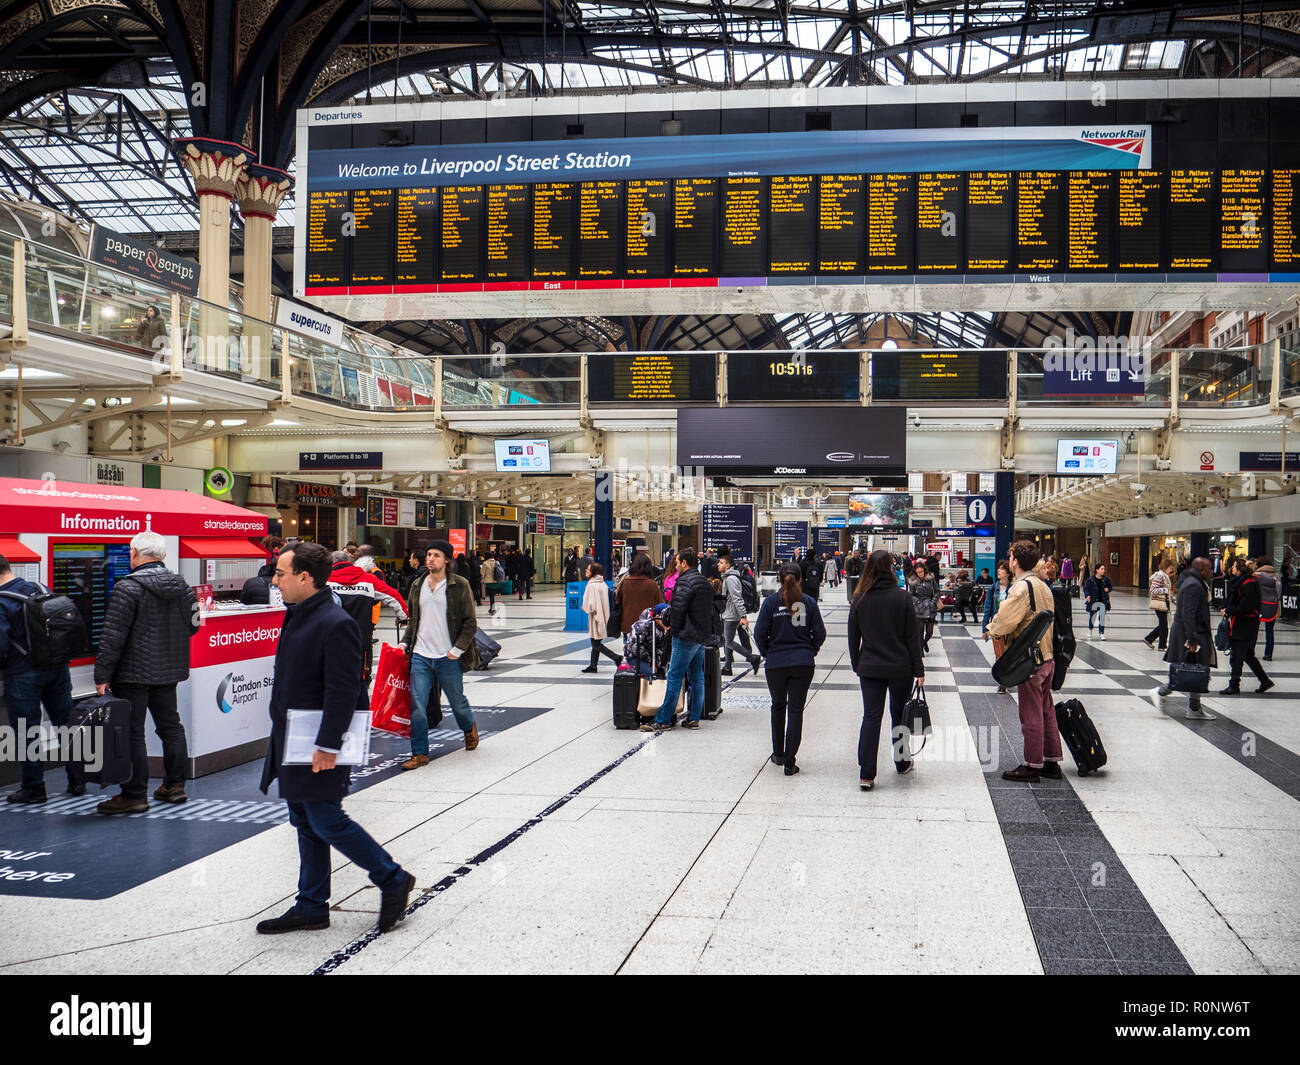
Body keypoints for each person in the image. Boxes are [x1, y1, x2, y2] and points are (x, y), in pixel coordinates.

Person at [256, 542, 415, 935]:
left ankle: (391, 877)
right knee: (305, 821)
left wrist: (328, 745)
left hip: (317, 742)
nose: (275, 580)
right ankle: (311, 904)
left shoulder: (334, 621)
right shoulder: (299, 615)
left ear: (305, 577)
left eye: (281, 574)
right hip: (293, 737)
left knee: (326, 820)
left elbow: (343, 692)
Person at [88, 532, 201, 813]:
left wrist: (102, 675)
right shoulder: (183, 586)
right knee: (171, 727)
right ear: (162, 556)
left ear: (135, 553)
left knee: (133, 732)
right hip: (169, 670)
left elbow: (113, 636)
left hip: (133, 673)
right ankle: (174, 786)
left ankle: (135, 795)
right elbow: (194, 625)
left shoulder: (128, 588)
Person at [0, 555, 87, 804]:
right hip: (58, 668)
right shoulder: (40, 588)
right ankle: (78, 779)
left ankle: (34, 788)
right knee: (65, 723)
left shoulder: (2, 602)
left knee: (27, 731)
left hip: (23, 675)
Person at [984, 541, 1060, 782]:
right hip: (1047, 657)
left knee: (1030, 714)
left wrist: (991, 628)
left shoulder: (1022, 588)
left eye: (1011, 557)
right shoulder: (1043, 585)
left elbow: (1004, 621)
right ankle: (1051, 761)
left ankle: (1032, 765)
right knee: (1047, 710)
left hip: (1030, 662)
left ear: (1015, 561)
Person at [849, 550, 924, 791]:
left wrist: (856, 663)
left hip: (870, 667)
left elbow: (853, 637)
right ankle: (902, 763)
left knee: (871, 717)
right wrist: (918, 669)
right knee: (898, 717)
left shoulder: (860, 598)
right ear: (890, 569)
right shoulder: (901, 598)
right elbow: (913, 637)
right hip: (900, 667)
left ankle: (867, 773)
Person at [401, 541, 480, 770]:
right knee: (417, 704)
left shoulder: (459, 585)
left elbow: (469, 622)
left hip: (448, 656)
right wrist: (405, 643)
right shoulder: (418, 585)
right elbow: (413, 620)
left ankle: (468, 727)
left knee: (457, 702)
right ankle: (419, 753)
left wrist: (457, 650)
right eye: (428, 555)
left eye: (436, 555)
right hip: (421, 655)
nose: (430, 559)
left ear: (447, 559)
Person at [753, 560, 826, 776]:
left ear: (778, 578)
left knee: (777, 706)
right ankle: (790, 761)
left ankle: (778, 753)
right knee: (795, 710)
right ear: (801, 578)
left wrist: (768, 652)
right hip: (803, 663)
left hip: (776, 664)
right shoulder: (809, 602)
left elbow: (759, 634)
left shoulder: (770, 603)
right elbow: (820, 633)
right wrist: (810, 650)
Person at [641, 547, 713, 733]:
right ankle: (694, 718)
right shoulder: (704, 582)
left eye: (677, 562)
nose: (675, 565)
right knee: (697, 677)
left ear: (684, 563)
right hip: (700, 637)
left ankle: (663, 719)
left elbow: (678, 611)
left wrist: (671, 629)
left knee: (674, 677)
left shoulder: (683, 582)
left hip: (685, 636)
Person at [1151, 557, 1218, 720]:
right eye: (1209, 569)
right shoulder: (1194, 585)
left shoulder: (1194, 582)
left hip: (1193, 633)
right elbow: (1188, 614)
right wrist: (1192, 639)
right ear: (1201, 570)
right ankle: (1161, 692)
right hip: (1189, 634)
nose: (1212, 572)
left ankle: (1194, 708)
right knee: (1192, 670)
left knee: (1198, 670)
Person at [1221, 557, 1273, 695]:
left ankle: (1234, 684)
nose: (1231, 568)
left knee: (1237, 655)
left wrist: (1229, 610)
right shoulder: (1240, 582)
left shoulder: (1248, 583)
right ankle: (1265, 680)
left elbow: (1246, 608)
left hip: (1245, 624)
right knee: (1248, 655)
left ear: (1238, 569)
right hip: (1242, 623)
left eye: (1233, 566)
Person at [718, 547, 762, 677]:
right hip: (730, 614)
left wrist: (743, 616)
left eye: (721, 563)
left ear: (728, 564)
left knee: (728, 642)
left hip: (732, 615)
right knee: (728, 640)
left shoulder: (731, 579)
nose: (718, 565)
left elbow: (737, 599)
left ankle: (753, 657)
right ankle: (727, 667)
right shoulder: (728, 577)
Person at [581, 562, 623, 674]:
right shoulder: (602, 583)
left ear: (593, 572)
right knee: (595, 642)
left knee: (595, 643)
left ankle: (616, 658)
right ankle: (593, 665)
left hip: (596, 618)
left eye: (588, 569)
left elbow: (590, 605)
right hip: (604, 616)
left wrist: (584, 608)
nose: (586, 570)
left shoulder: (591, 585)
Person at [616, 552, 664, 640]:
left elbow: (617, 601)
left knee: (629, 649)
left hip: (627, 624)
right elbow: (660, 605)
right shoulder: (652, 584)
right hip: (647, 625)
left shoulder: (625, 582)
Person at [907, 560, 939, 654]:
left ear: (924, 570)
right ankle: (920, 649)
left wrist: (933, 602)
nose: (920, 574)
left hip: (930, 606)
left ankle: (925, 642)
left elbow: (937, 591)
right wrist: (917, 601)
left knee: (929, 631)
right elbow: (911, 595)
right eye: (918, 572)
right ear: (915, 572)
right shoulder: (913, 580)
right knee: (919, 630)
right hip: (919, 607)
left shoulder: (931, 578)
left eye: (922, 571)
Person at [1144, 560, 1176, 651]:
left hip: (1164, 603)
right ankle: (1162, 646)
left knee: (1163, 625)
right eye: (1170, 568)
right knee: (1164, 626)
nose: (1171, 570)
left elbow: (1168, 593)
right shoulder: (1159, 576)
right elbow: (1153, 590)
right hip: (1160, 604)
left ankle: (1149, 639)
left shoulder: (1165, 576)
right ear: (1165, 567)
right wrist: (1164, 590)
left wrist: (1174, 600)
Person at [1254, 556, 1279, 661]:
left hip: (1258, 605)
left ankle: (1250, 651)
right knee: (1269, 630)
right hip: (1272, 605)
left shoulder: (1256, 576)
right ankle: (1268, 654)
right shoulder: (1276, 576)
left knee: (1254, 629)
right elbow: (1280, 593)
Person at [1083, 563, 1112, 640]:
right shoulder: (1091, 579)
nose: (1103, 571)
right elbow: (1086, 588)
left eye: (1104, 569)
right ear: (1097, 570)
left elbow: (1110, 587)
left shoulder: (1105, 579)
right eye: (1102, 569)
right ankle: (1090, 630)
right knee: (1092, 617)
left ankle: (1101, 633)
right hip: (1093, 601)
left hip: (1103, 601)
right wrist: (1087, 595)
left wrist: (1108, 589)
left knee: (1102, 618)